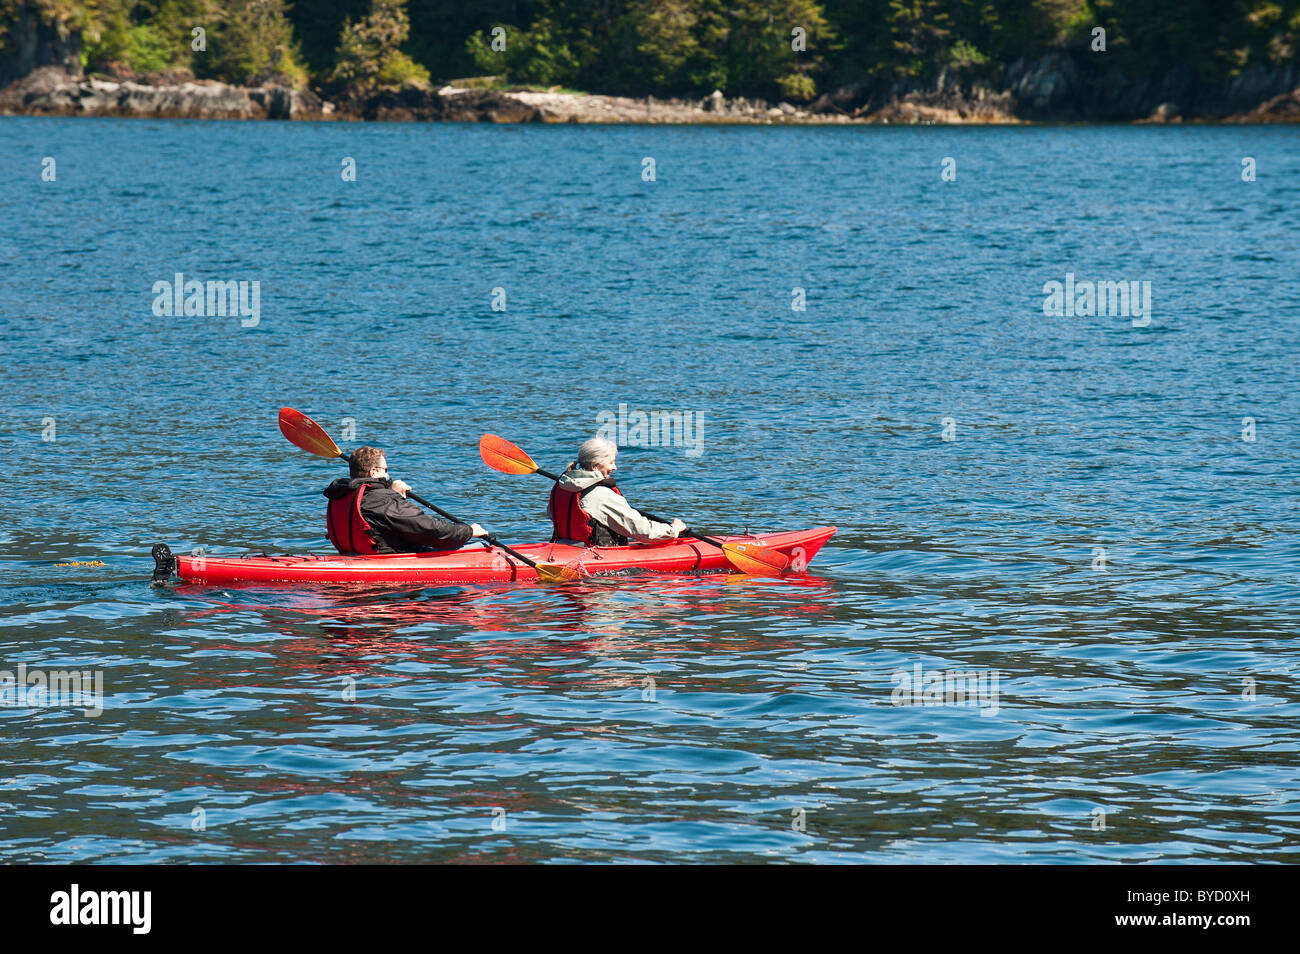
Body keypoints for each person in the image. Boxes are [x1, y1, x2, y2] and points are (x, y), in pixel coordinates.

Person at [323, 446, 487, 554]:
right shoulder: (383, 500)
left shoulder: (344, 494)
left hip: (355, 556)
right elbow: (433, 532)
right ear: (373, 472)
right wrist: (469, 531)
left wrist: (392, 494)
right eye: (385, 470)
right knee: (481, 548)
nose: (388, 475)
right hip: (391, 561)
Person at [548, 437, 687, 546]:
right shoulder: (602, 494)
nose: (615, 467)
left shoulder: (561, 487)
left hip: (563, 547)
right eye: (611, 462)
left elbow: (551, 513)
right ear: (596, 464)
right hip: (597, 558)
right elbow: (642, 530)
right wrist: (672, 530)